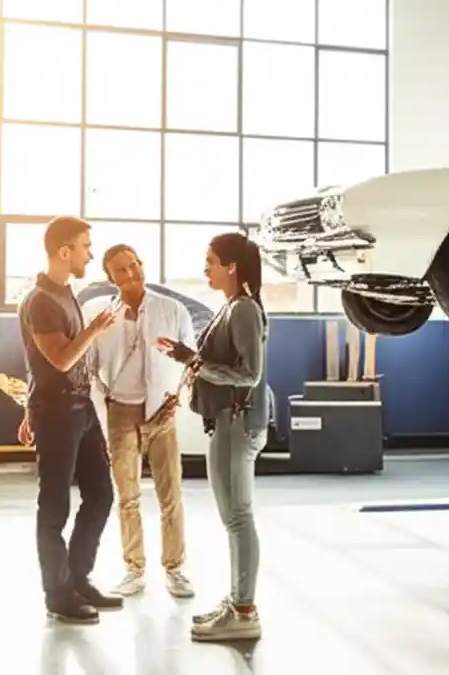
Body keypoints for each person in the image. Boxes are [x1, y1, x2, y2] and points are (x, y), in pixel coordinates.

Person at [156, 231, 269, 643]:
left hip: (236, 421)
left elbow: (249, 374)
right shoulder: (234, 308)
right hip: (227, 421)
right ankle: (239, 601)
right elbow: (219, 365)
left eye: (211, 260)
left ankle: (244, 610)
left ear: (231, 266)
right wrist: (190, 363)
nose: (205, 268)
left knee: (238, 518)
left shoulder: (242, 310)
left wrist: (193, 360)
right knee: (235, 517)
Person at [16, 216, 124, 624]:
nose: (90, 254)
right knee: (55, 506)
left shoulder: (66, 293)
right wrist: (96, 329)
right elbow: (58, 359)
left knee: (101, 494)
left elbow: (40, 364)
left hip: (81, 408)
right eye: (84, 246)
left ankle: (78, 578)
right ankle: (57, 593)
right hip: (58, 412)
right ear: (64, 251)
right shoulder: (40, 300)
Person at [79, 244, 196, 599]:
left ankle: (175, 568)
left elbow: (191, 362)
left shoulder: (171, 309)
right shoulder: (101, 315)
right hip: (120, 412)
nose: (131, 274)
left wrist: (179, 398)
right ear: (110, 277)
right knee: (126, 495)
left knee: (170, 492)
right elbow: (90, 368)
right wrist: (104, 409)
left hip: (161, 410)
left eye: (134, 265)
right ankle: (134, 568)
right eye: (121, 270)